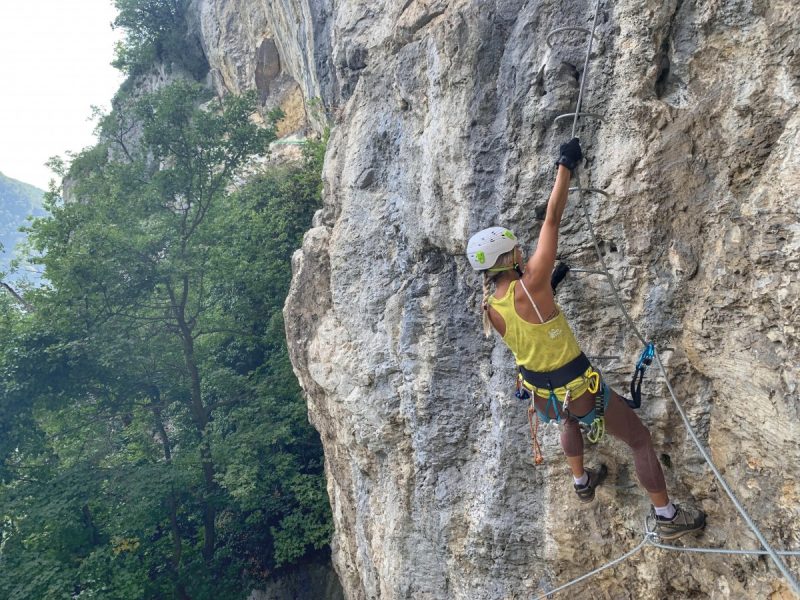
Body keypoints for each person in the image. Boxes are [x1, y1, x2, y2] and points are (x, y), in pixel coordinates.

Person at [466, 138, 706, 540]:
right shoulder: (533, 282)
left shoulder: (490, 305)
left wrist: (550, 291)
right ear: (508, 258)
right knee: (639, 438)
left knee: (567, 419)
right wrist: (565, 166)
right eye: (516, 250)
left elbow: (531, 324)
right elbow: (552, 221)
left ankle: (581, 481)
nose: (523, 251)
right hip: (577, 384)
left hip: (541, 391)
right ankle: (666, 515)